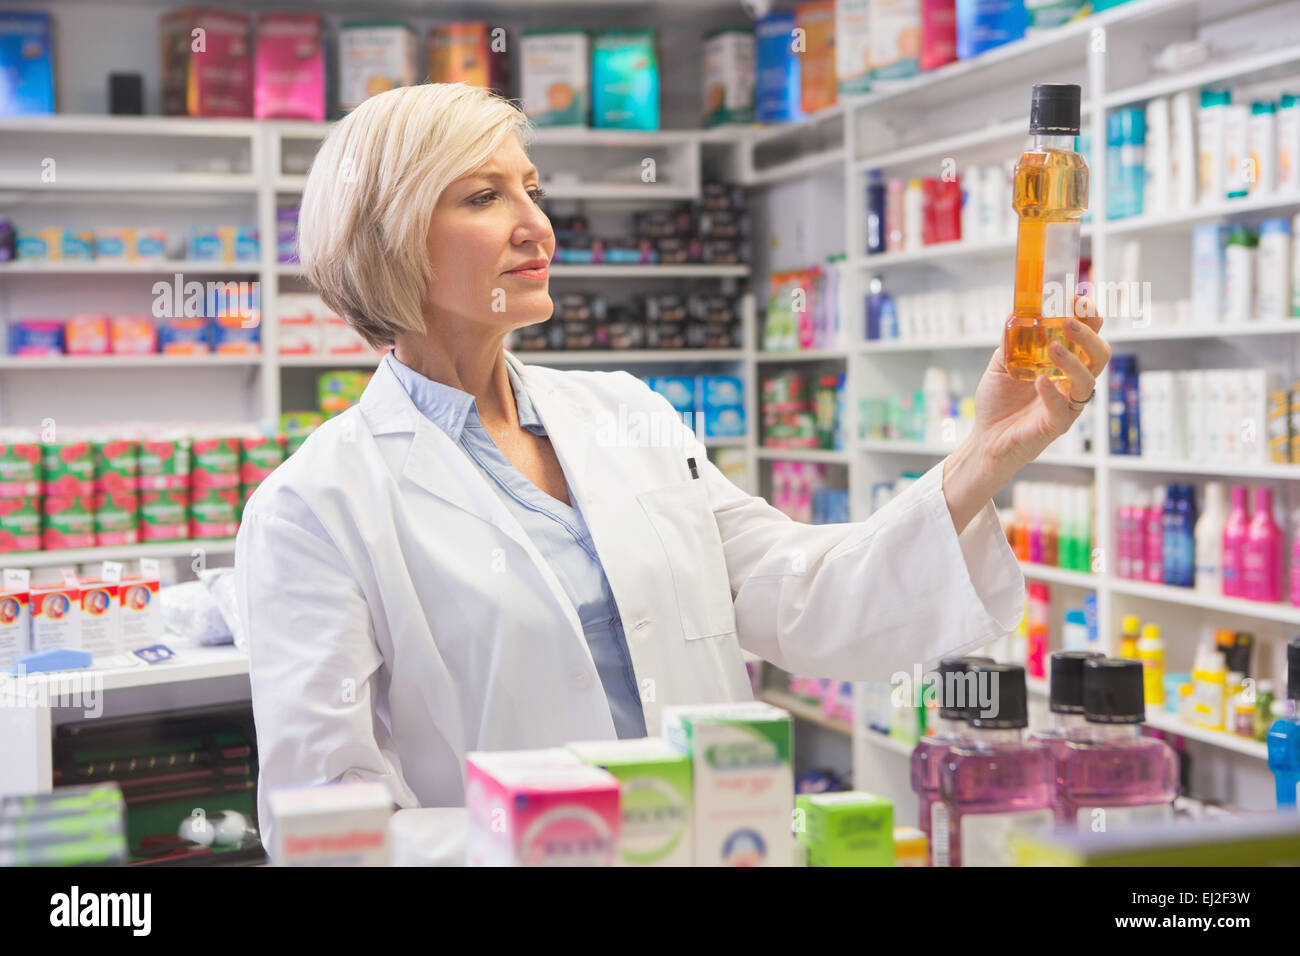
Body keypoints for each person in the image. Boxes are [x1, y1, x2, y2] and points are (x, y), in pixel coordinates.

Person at [234, 83, 1111, 864]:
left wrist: (981, 458)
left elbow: (799, 595)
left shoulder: (625, 414)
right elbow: (325, 828)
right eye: (483, 195)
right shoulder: (315, 508)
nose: (535, 224)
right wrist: (562, 838)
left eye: (531, 189)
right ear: (386, 239)